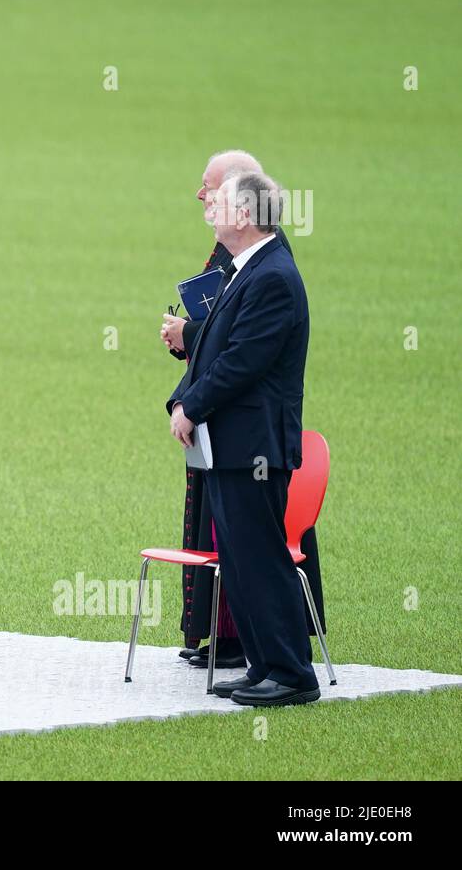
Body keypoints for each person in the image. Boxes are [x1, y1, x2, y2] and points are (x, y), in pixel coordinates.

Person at [160, 151, 324, 668]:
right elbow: (219, 345)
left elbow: (241, 363)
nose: (209, 209)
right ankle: (264, 667)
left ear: (247, 215)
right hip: (234, 443)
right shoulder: (247, 269)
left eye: (220, 202)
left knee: (260, 562)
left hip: (253, 445)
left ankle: (288, 673)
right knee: (244, 562)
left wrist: (190, 405)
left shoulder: (271, 276)